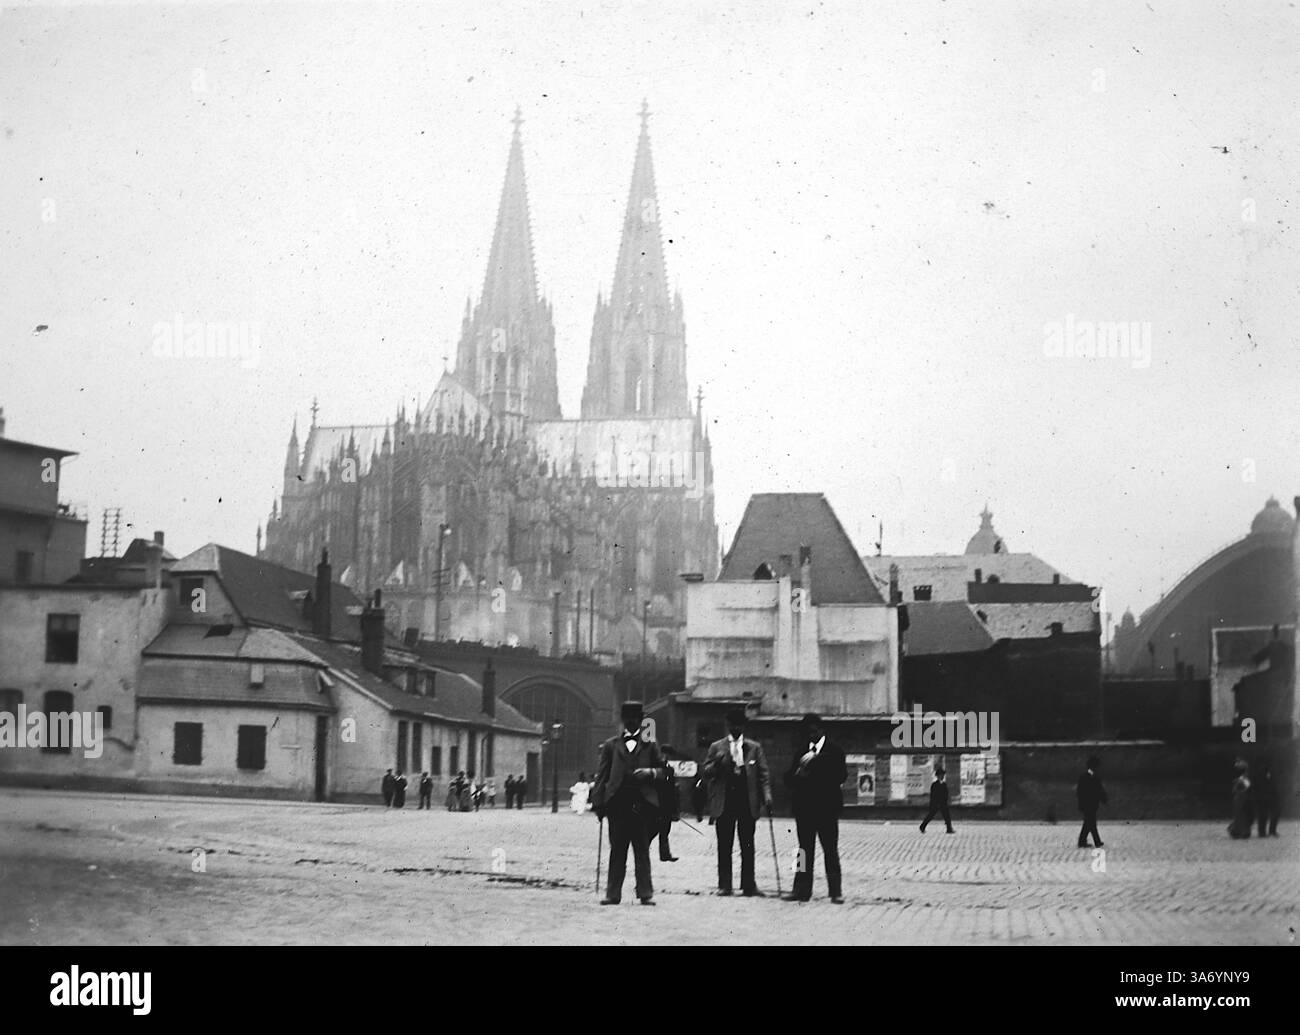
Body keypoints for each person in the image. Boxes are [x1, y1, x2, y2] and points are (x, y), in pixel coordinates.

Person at [591, 701, 669, 906]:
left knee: (642, 850)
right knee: (617, 850)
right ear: (623, 720)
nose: (633, 722)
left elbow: (664, 772)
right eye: (629, 719)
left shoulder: (651, 744)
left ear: (642, 721)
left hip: (642, 806)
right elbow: (602, 775)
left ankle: (645, 893)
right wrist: (598, 803)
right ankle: (613, 894)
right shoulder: (611, 745)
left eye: (636, 719)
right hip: (618, 805)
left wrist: (650, 772)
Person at [703, 711, 772, 895]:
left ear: (744, 727)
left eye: (739, 725)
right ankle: (725, 885)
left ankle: (749, 885)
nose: (736, 728)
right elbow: (706, 773)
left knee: (747, 845)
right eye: (733, 725)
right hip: (725, 802)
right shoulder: (716, 747)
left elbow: (763, 775)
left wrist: (767, 795)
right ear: (727, 725)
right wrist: (716, 763)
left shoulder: (753, 748)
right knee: (724, 845)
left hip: (746, 801)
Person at [783, 713, 846, 903]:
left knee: (830, 850)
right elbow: (788, 778)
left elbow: (842, 775)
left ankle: (835, 892)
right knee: (803, 851)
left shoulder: (835, 751)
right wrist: (798, 775)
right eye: (807, 732)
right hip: (805, 810)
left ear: (821, 729)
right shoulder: (801, 752)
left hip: (827, 809)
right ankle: (800, 890)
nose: (811, 735)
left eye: (814, 731)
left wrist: (818, 763)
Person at [654, 750, 681, 863]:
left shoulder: (670, 769)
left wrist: (674, 809)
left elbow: (672, 791)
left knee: (665, 831)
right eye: (664, 755)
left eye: (667, 755)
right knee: (652, 830)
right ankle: (644, 850)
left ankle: (665, 854)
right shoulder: (656, 768)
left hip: (667, 805)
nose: (665, 757)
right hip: (657, 804)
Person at [1076, 755, 1107, 848]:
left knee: (1088, 823)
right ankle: (1096, 841)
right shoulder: (1086, 777)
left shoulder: (1094, 777)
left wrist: (1103, 798)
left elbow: (1100, 790)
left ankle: (1082, 841)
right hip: (1088, 804)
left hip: (1092, 804)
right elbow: (1080, 791)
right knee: (1091, 823)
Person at [920, 764, 954, 834]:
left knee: (947, 816)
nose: (942, 776)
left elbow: (946, 794)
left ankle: (949, 829)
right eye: (941, 775)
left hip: (943, 803)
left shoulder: (944, 784)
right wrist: (934, 803)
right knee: (930, 816)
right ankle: (922, 826)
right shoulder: (934, 785)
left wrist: (946, 800)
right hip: (936, 804)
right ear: (938, 776)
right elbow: (933, 795)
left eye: (943, 775)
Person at [1228, 760, 1253, 839]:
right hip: (1240, 798)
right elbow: (1245, 787)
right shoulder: (1242, 779)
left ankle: (1239, 831)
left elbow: (1246, 786)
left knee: (1243, 814)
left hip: (1242, 798)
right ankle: (1238, 831)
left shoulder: (1243, 779)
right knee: (1241, 814)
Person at [1254, 762, 1279, 837]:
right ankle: (1269, 831)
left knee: (1262, 817)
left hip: (1263, 800)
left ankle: (1263, 832)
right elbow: (1273, 789)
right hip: (1266, 799)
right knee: (1265, 816)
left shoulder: (1259, 778)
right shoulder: (1268, 779)